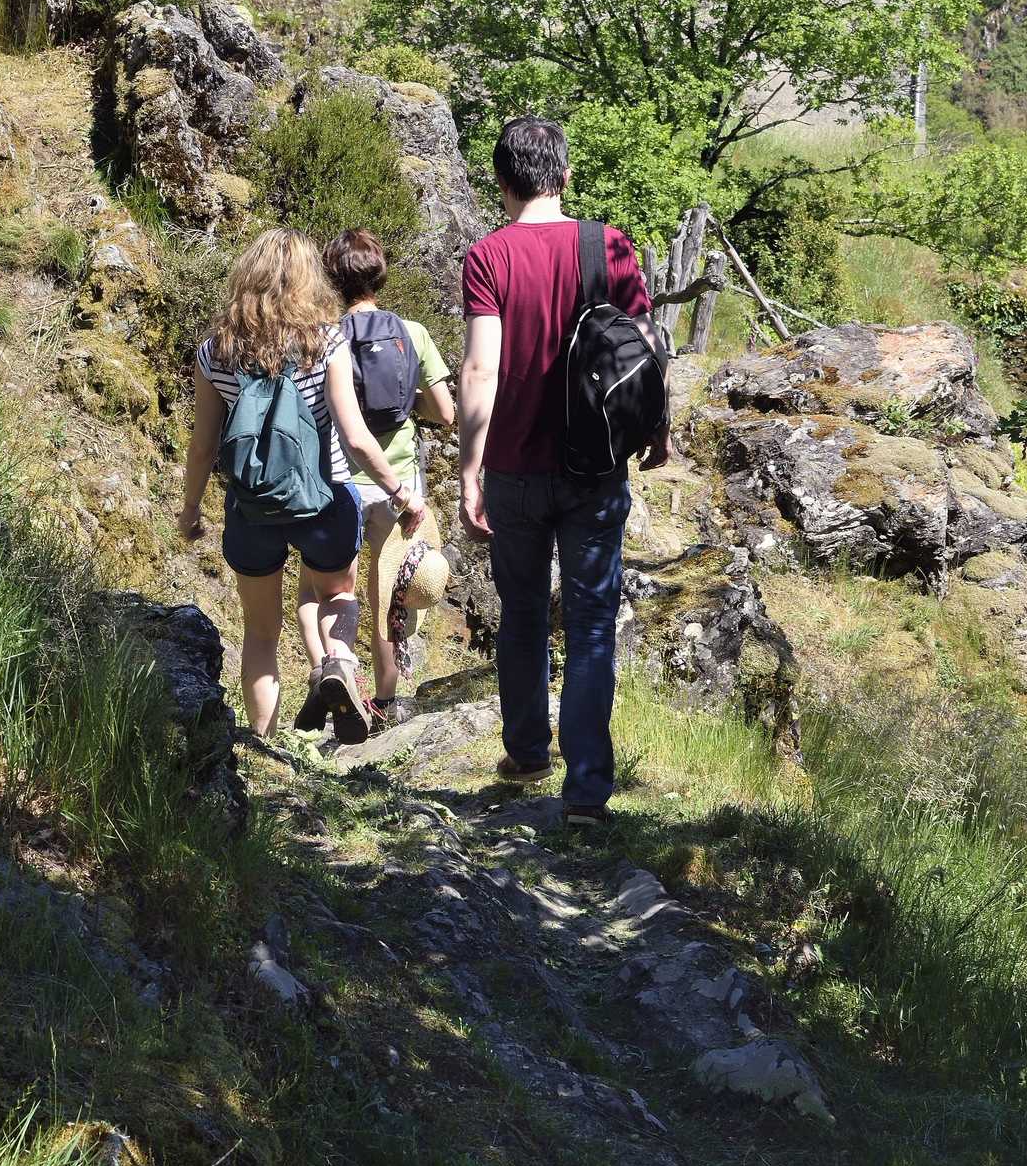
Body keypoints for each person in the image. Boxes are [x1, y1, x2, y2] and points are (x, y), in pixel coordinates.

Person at [458, 116, 669, 817]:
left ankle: (526, 752)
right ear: (565, 176)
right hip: (595, 467)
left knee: (521, 614)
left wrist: (468, 468)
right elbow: (644, 346)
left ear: (501, 180)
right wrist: (658, 428)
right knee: (592, 624)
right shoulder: (607, 245)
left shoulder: (488, 257)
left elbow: (480, 369)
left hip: (513, 469)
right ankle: (586, 791)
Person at [180, 227, 427, 742]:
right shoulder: (326, 341)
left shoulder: (213, 353)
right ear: (309, 279)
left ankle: (263, 745)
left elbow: (202, 447)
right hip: (324, 498)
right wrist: (399, 491)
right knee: (337, 596)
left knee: (260, 632)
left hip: (251, 507)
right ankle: (336, 661)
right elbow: (355, 437)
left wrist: (191, 509)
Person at [294, 228, 455, 719]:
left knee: (316, 590)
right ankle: (384, 700)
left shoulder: (321, 338)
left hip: (337, 481)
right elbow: (446, 412)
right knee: (390, 594)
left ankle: (330, 673)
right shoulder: (413, 333)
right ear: (380, 275)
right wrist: (408, 403)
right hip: (398, 485)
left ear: (331, 279)